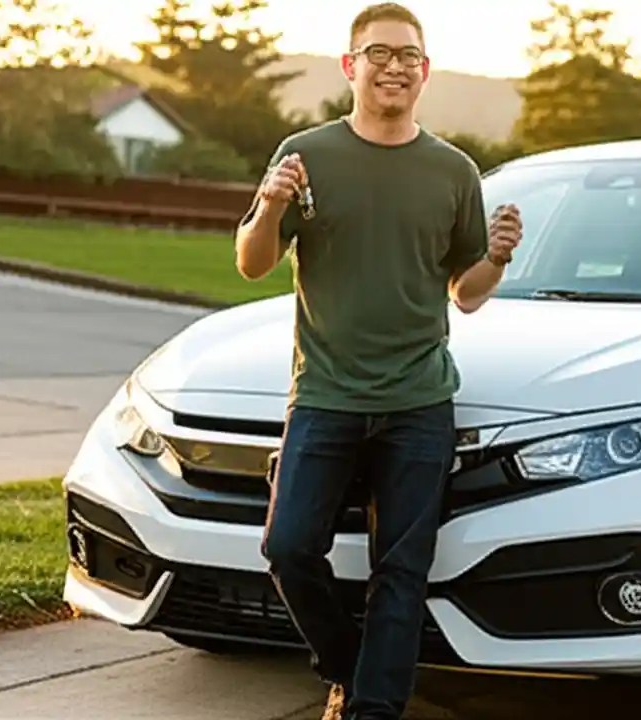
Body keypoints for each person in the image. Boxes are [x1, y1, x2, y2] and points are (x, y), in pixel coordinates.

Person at [232, 4, 522, 719]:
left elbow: (465, 293)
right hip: (324, 395)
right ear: (350, 65)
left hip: (419, 401)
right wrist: (268, 206)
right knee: (288, 548)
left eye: (408, 56)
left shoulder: (453, 171)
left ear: (425, 70)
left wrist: (495, 258)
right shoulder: (306, 154)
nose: (394, 67)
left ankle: (372, 709)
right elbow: (251, 263)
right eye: (379, 53)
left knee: (402, 568)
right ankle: (348, 667)